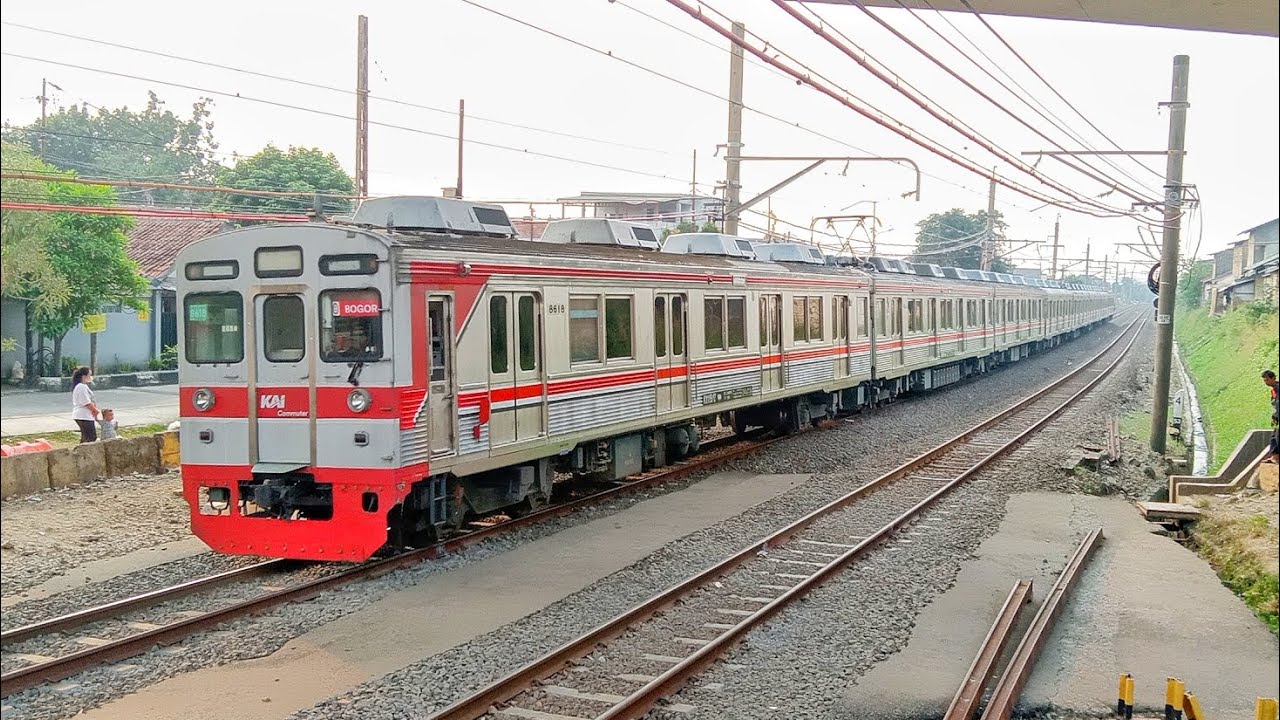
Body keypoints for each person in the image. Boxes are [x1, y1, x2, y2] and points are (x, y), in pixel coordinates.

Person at [70, 366, 100, 443]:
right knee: (90, 437)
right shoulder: (81, 387)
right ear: (84, 376)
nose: (91, 377)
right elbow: (86, 402)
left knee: (86, 437)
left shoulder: (83, 386)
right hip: (83, 416)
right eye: (89, 375)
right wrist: (95, 410)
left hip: (86, 415)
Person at [1264, 370, 1279, 463]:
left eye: (1267, 380)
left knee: (1277, 436)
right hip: (1276, 417)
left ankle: (1276, 458)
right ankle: (1274, 457)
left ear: (1273, 378)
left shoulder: (1278, 389)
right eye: (1264, 380)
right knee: (1274, 436)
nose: (1265, 382)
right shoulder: (1274, 390)